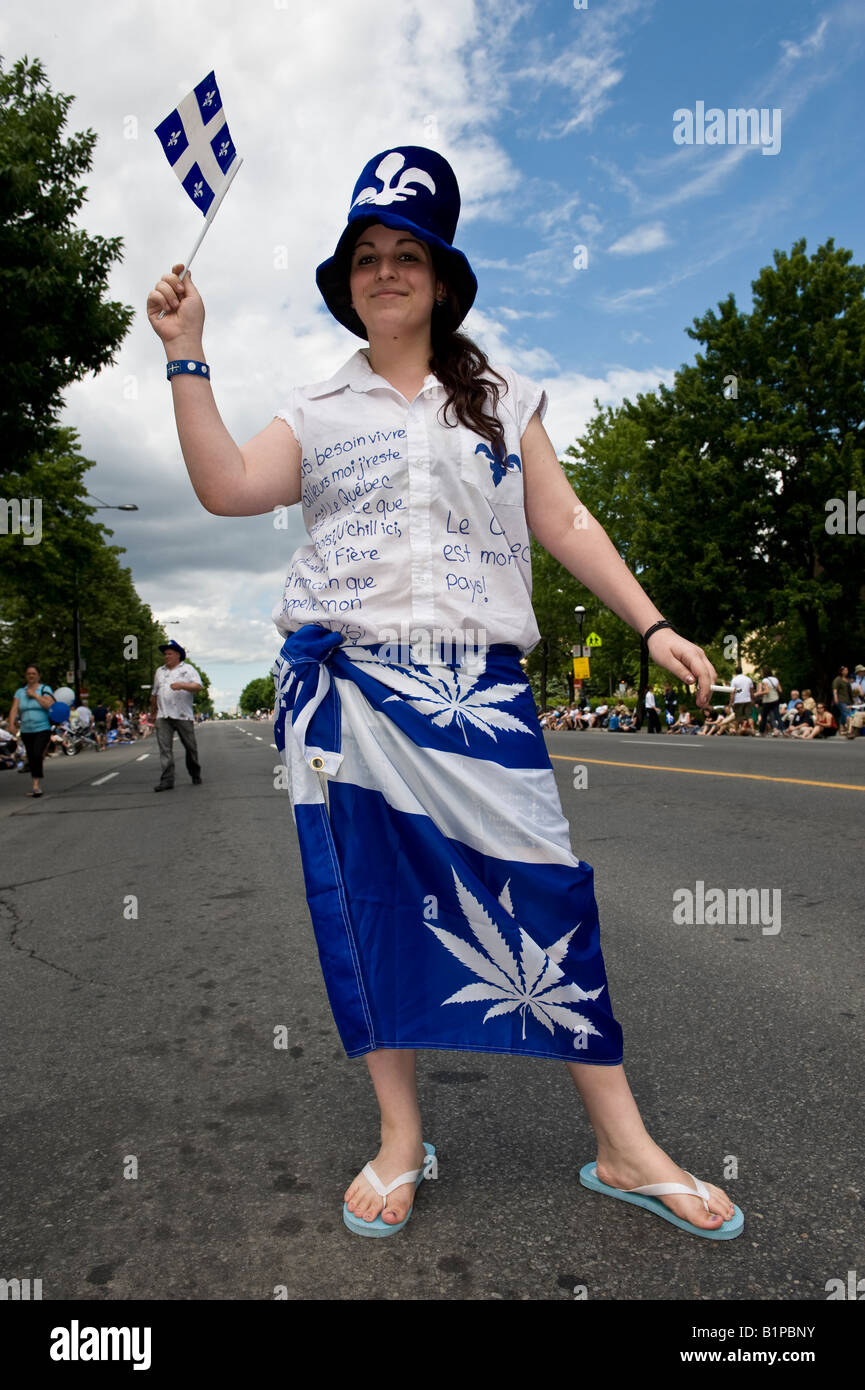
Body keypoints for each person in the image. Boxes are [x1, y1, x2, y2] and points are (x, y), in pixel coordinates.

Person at [147, 143, 740, 1242]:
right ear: (348, 278)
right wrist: (188, 354)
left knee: (550, 898)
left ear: (441, 278)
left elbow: (564, 521)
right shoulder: (317, 406)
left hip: (481, 693)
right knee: (371, 907)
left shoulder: (501, 399)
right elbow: (227, 488)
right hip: (351, 694)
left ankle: (623, 1144)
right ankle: (398, 1137)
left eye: (406, 253)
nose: (385, 270)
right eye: (366, 253)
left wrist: (651, 623)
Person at [149, 640, 203, 790]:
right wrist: (153, 711)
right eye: (165, 654)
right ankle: (167, 780)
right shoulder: (160, 671)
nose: (166, 656)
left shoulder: (187, 669)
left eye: (169, 654)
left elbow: (198, 686)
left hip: (183, 715)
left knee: (190, 747)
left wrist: (182, 685)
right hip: (163, 715)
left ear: (178, 655)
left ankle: (195, 773)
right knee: (164, 749)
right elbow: (154, 693)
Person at [6, 663, 55, 797]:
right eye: (28, 674)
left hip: (42, 728)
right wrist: (11, 724)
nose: (31, 676)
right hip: (26, 730)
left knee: (37, 754)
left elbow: (50, 705)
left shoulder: (45, 689)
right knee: (32, 756)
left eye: (34, 673)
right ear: (25, 676)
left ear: (39, 676)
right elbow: (14, 708)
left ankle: (36, 785)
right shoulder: (20, 692)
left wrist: (35, 696)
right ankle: (35, 783)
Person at [755, 666, 784, 736]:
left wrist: (756, 694)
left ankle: (761, 731)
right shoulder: (775, 679)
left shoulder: (765, 680)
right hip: (775, 699)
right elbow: (780, 690)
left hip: (767, 700)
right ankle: (783, 730)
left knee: (764, 716)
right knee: (777, 715)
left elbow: (767, 691)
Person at [729, 667, 754, 734]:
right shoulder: (748, 679)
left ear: (735, 672)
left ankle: (736, 730)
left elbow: (732, 692)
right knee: (749, 716)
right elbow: (751, 691)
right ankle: (752, 729)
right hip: (747, 700)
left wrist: (731, 702)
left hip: (738, 700)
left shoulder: (734, 680)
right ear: (742, 671)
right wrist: (752, 699)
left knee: (737, 717)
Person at [831, 665, 854, 736]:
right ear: (841, 671)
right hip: (841, 699)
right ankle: (849, 729)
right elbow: (835, 689)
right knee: (847, 713)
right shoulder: (838, 679)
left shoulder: (847, 680)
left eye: (847, 670)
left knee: (843, 714)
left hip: (848, 700)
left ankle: (841, 728)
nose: (847, 671)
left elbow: (849, 691)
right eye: (845, 670)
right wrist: (835, 698)